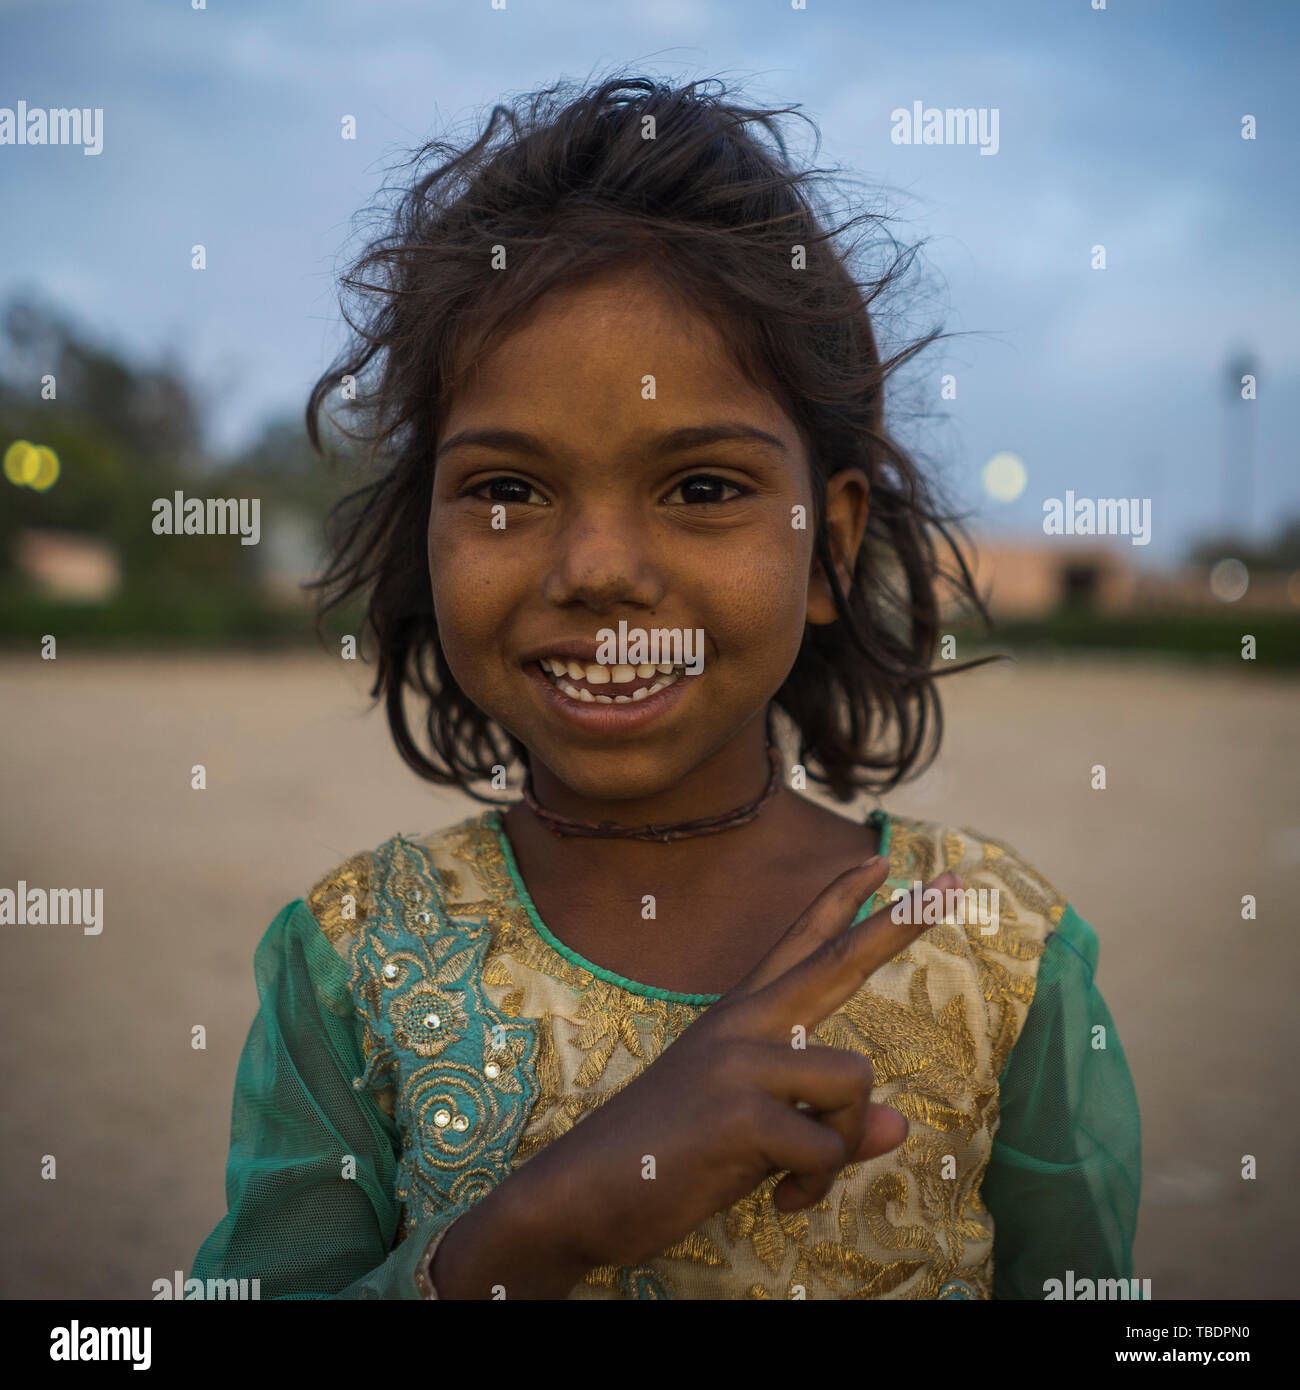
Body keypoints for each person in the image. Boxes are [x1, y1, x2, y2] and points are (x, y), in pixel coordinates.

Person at [192, 75, 1139, 1300]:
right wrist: (534, 1231)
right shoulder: (351, 957)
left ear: (830, 547)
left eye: (700, 488)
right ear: (428, 531)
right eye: (507, 490)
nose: (597, 572)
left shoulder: (1005, 955)